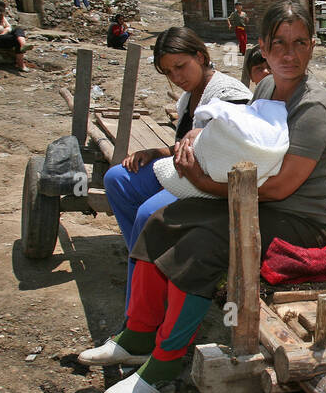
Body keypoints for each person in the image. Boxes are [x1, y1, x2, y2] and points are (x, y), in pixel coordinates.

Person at [83, 0, 326, 393]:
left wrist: (203, 181)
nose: (288, 54)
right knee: (162, 217)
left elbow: (280, 188)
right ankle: (137, 335)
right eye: (278, 43)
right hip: (260, 199)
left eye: (299, 43)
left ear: (312, 46)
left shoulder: (313, 107)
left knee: (202, 245)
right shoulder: (266, 87)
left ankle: (165, 367)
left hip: (303, 218)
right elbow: (239, 142)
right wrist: (194, 141)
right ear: (261, 46)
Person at [101, 28, 251, 307]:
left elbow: (231, 148)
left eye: (181, 67)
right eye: (169, 72)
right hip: (183, 171)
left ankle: (141, 310)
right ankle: (147, 261)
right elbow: (187, 142)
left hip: (210, 182)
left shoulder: (229, 94)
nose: (176, 77)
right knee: (117, 179)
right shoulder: (189, 96)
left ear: (201, 56)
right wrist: (157, 152)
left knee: (148, 214)